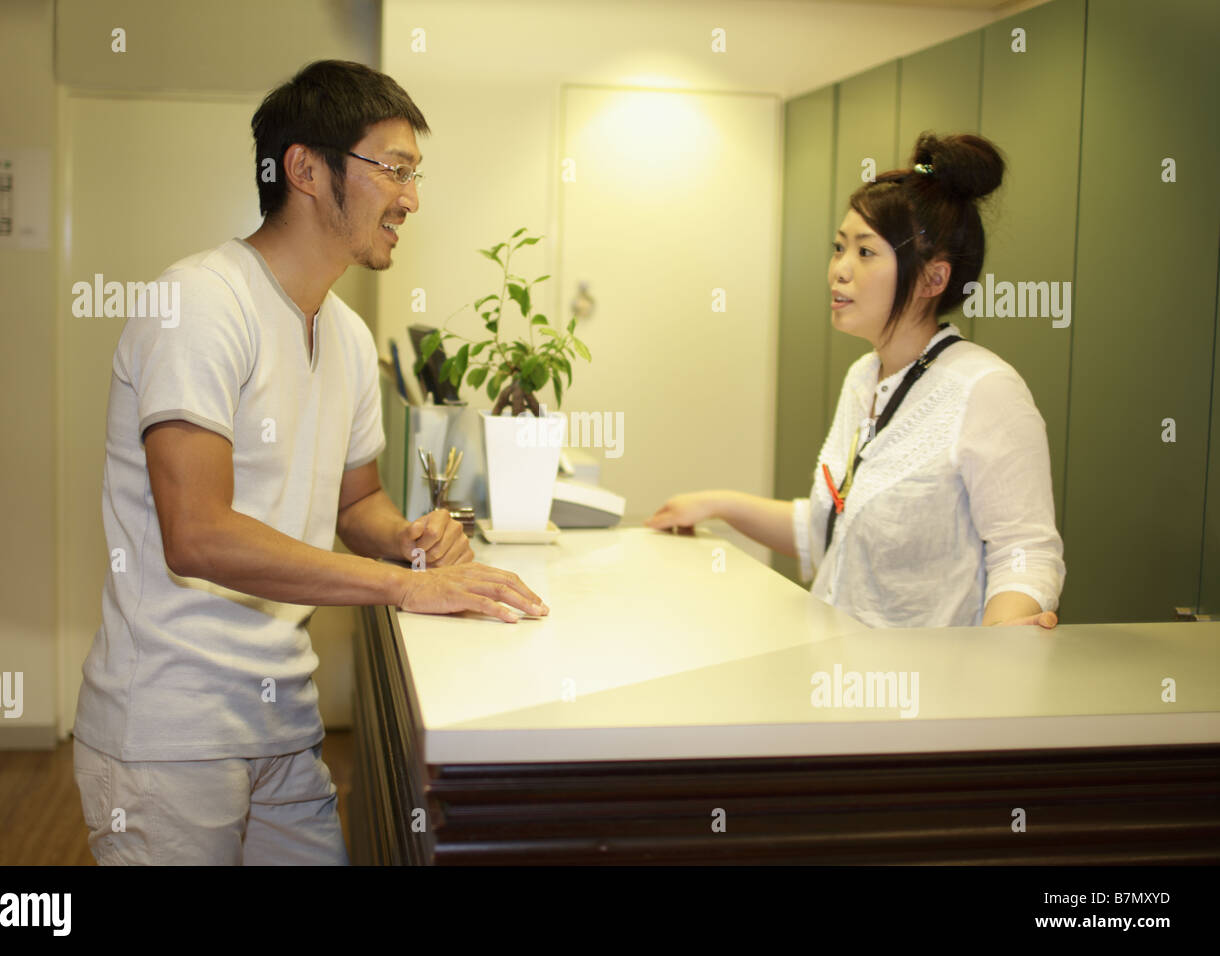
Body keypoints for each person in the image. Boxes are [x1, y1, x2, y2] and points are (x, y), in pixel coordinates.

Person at [72, 60, 548, 866]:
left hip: (282, 721)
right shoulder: (197, 305)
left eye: (415, 173)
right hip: (172, 732)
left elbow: (354, 504)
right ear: (305, 168)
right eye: (394, 168)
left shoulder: (349, 337)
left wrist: (408, 539)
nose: (411, 197)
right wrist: (405, 586)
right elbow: (199, 535)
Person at [647, 132, 1064, 630]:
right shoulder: (864, 377)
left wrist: (1002, 642)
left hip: (930, 691)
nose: (838, 271)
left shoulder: (985, 389)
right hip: (836, 673)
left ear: (933, 279)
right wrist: (717, 504)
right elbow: (837, 528)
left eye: (866, 253)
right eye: (839, 247)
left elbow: (1025, 549)